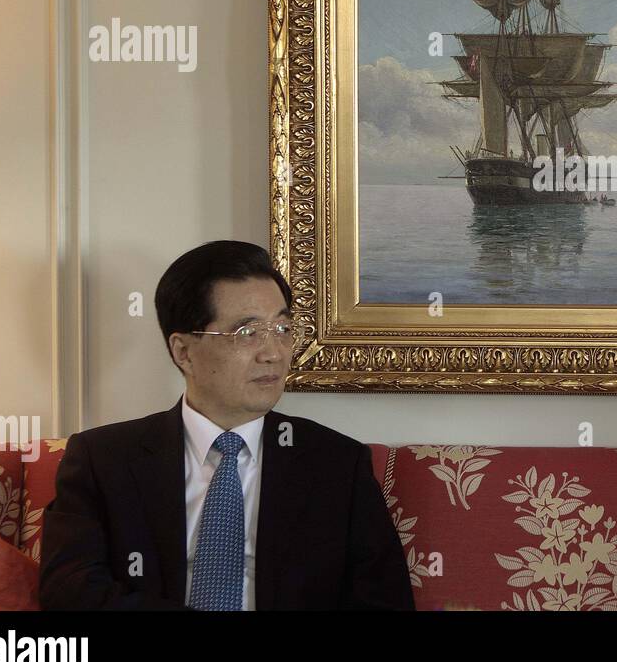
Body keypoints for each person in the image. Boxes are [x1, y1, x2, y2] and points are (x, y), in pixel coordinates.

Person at [39, 240, 413, 610]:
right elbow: (69, 590)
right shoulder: (103, 458)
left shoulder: (336, 463)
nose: (273, 353)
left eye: (282, 329)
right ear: (183, 351)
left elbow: (384, 600)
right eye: (247, 333)